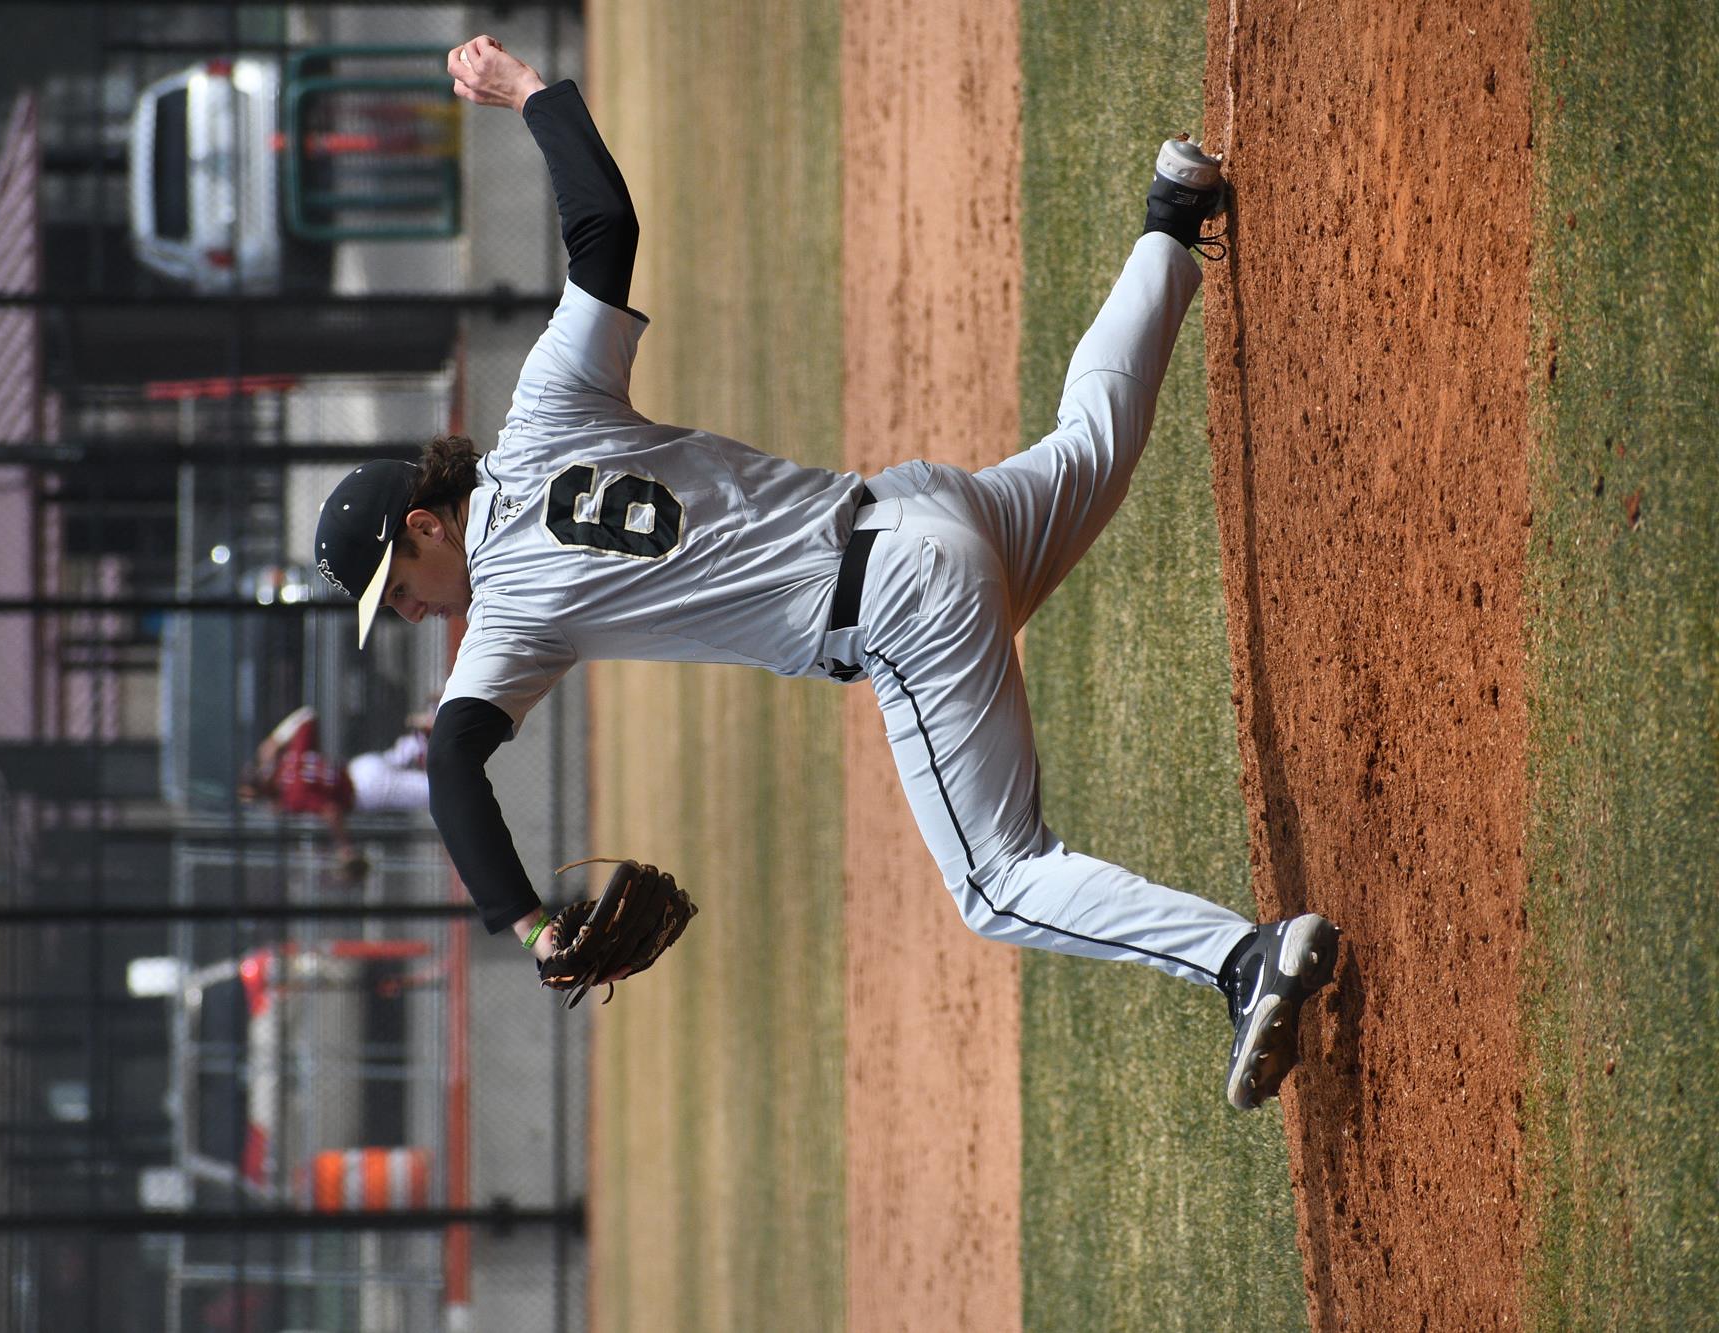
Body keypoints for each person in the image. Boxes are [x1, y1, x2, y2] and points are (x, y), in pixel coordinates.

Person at [309, 35, 1340, 1109]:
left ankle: (1238, 958)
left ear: (425, 521)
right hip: (918, 508)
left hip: (900, 610)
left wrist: (526, 921)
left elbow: (451, 769)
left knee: (996, 882)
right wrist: (527, 93)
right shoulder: (541, 413)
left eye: (400, 585)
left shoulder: (511, 616)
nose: (415, 611)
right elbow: (604, 227)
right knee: (1084, 455)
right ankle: (1171, 223)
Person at [240, 705, 433, 879]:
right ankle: (426, 727)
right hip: (361, 766)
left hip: (366, 790)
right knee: (413, 750)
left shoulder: (292, 796)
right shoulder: (288, 760)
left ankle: (430, 727)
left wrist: (344, 847)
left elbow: (330, 810)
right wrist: (275, 739)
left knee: (435, 792)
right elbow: (308, 715)